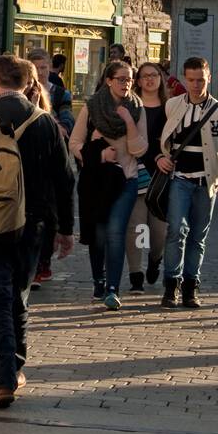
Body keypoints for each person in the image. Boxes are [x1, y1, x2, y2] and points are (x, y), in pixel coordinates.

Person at [0, 53, 75, 409]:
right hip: (31, 226)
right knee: (17, 297)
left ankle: (0, 378)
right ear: (26, 84)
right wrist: (64, 229)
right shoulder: (45, 122)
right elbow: (65, 181)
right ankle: (14, 367)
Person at [157, 56, 218, 310]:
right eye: (191, 80)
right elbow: (155, 137)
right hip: (179, 178)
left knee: (198, 237)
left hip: (206, 181)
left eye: (200, 80)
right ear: (183, 79)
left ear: (209, 78)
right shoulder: (171, 105)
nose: (195, 85)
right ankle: (171, 285)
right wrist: (159, 157)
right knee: (176, 231)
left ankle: (191, 286)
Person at [70, 61, 148, 309]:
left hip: (126, 179)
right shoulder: (92, 107)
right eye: (121, 79)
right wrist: (99, 155)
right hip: (97, 182)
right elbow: (74, 143)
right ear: (109, 80)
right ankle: (99, 281)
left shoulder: (137, 108)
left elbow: (140, 149)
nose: (126, 84)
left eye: (129, 79)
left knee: (115, 233)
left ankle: (113, 289)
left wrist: (128, 122)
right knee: (99, 235)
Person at [27, 50, 74, 286]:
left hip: (53, 156)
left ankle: (43, 262)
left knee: (51, 213)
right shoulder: (24, 94)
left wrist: (51, 122)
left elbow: (67, 124)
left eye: (44, 67)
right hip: (29, 160)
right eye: (36, 68)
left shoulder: (60, 93)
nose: (41, 72)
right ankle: (34, 265)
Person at [125, 62, 168, 291]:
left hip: (161, 177)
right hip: (137, 175)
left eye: (154, 75)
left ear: (161, 79)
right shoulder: (132, 106)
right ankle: (136, 274)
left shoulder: (170, 107)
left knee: (159, 231)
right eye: (145, 76)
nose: (150, 79)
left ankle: (155, 259)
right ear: (138, 81)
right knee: (137, 227)